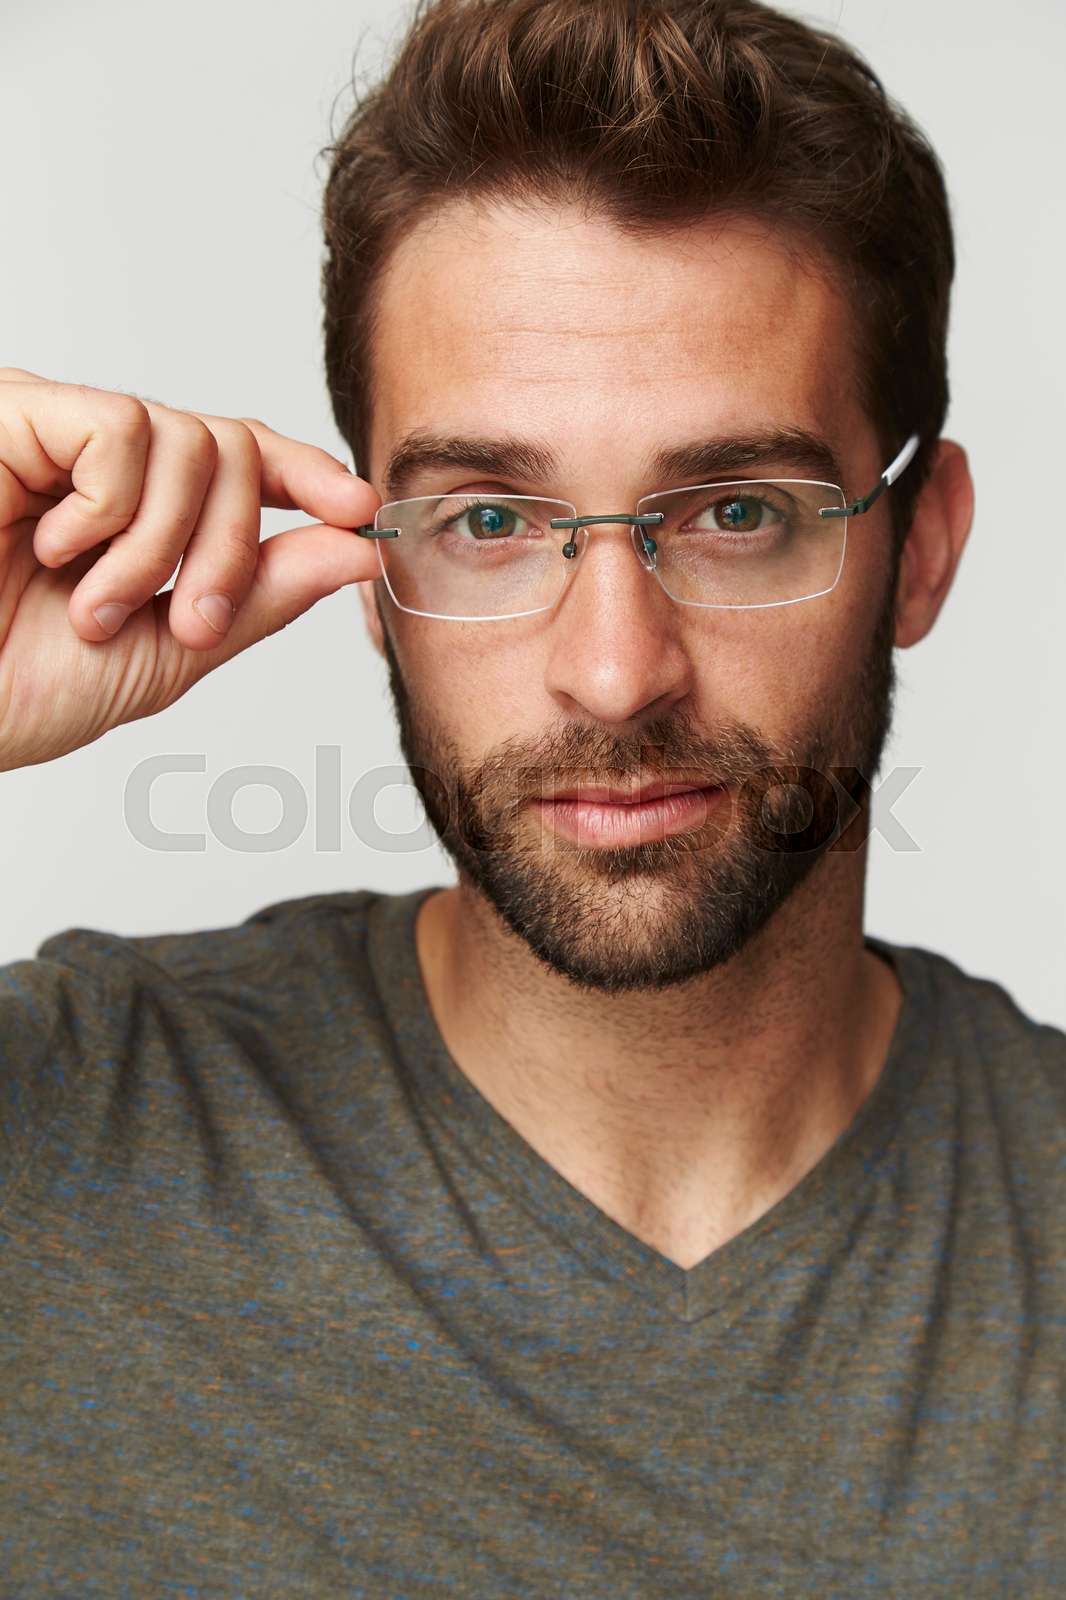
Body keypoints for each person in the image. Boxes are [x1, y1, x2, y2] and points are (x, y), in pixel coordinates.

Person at [1, 0, 1062, 1592]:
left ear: (918, 549)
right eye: (489, 521)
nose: (614, 674)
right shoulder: (61, 1125)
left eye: (736, 513)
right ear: (371, 572)